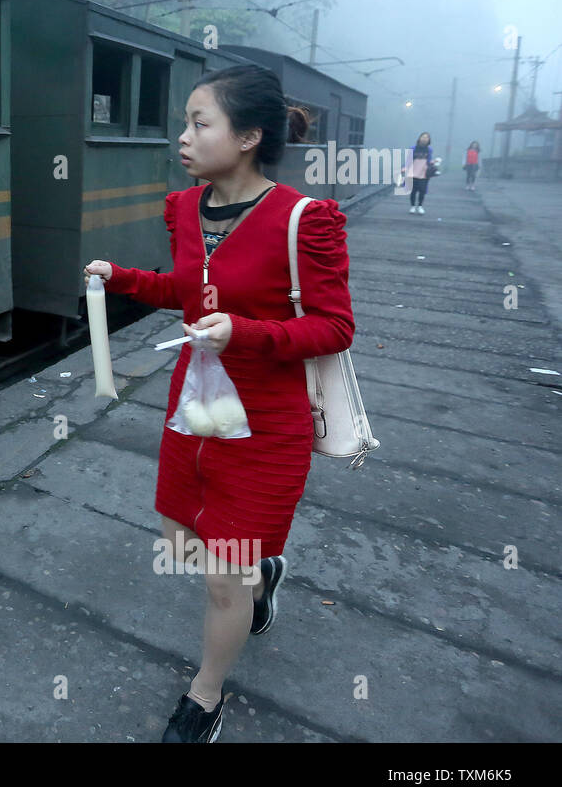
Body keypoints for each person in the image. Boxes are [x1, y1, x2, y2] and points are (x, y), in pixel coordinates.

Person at [83, 64, 354, 743]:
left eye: (200, 123)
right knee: (183, 545)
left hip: (265, 427)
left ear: (247, 137)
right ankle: (265, 577)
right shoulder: (184, 207)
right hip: (196, 413)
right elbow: (185, 289)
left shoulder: (303, 220)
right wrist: (123, 279)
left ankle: (205, 695)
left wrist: (249, 332)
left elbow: (334, 325)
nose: (184, 137)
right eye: (186, 122)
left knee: (221, 581)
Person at [408, 132, 434, 214]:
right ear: (419, 138)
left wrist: (433, 163)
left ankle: (420, 206)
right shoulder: (413, 148)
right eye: (423, 137)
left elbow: (429, 160)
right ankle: (412, 206)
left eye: (427, 137)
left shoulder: (429, 150)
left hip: (423, 173)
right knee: (413, 191)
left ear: (429, 140)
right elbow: (409, 160)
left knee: (422, 191)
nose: (425, 138)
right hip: (413, 172)